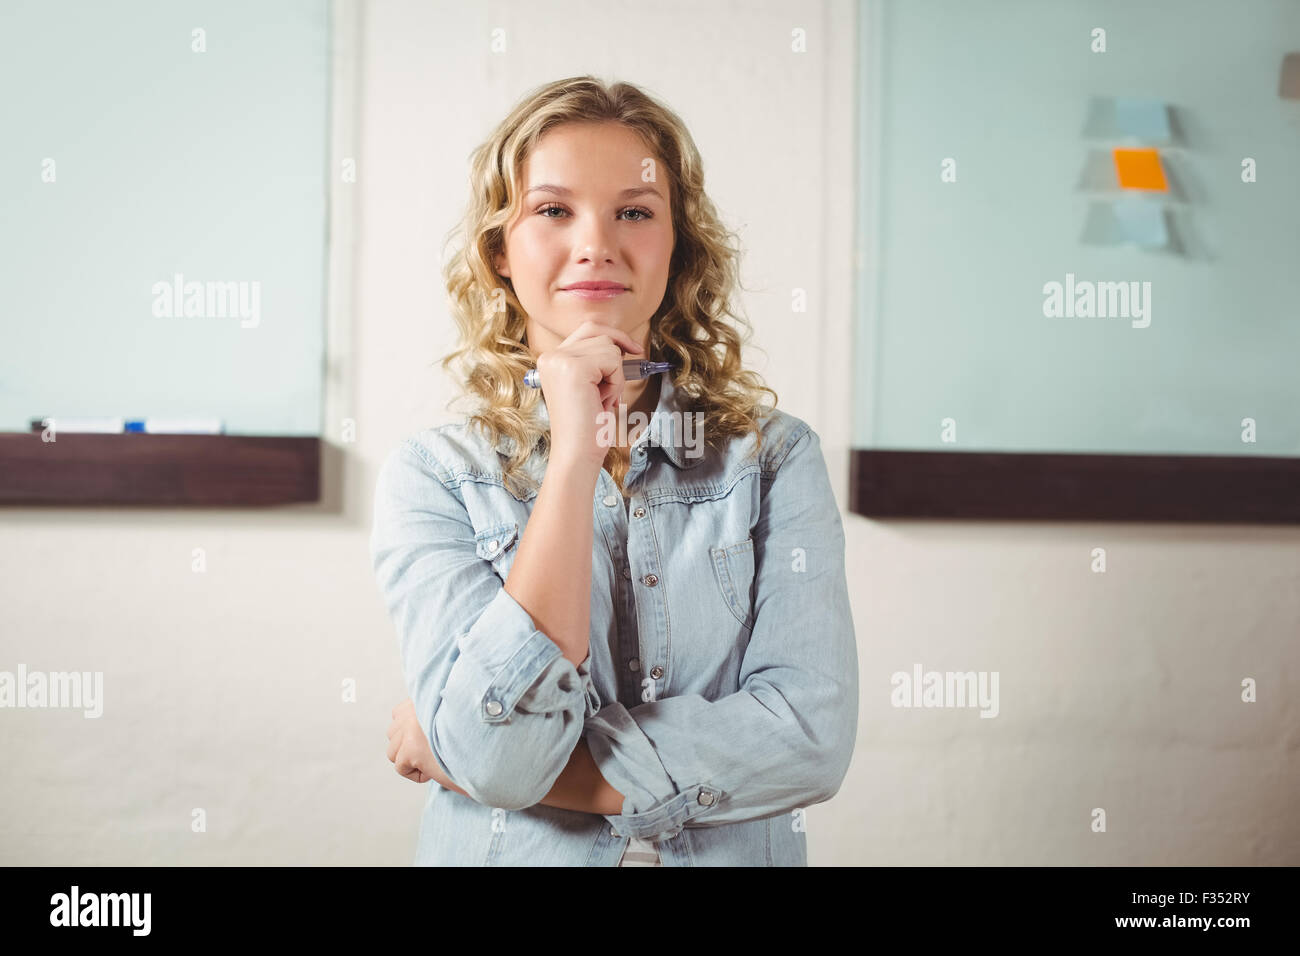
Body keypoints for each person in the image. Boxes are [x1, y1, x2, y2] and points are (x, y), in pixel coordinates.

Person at [372, 75, 858, 866]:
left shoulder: (774, 459)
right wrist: (573, 457)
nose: (596, 243)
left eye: (634, 211)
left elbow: (809, 740)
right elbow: (496, 756)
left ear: (679, 244)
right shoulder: (433, 477)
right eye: (553, 210)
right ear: (501, 249)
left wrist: (469, 750)